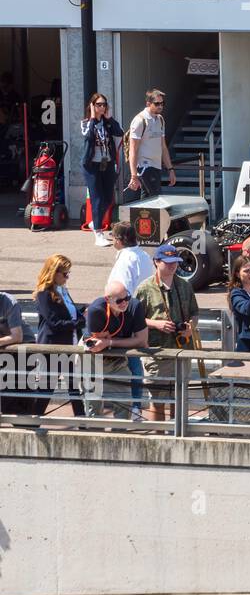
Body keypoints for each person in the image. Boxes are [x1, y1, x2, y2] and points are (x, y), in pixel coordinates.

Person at [137, 244, 201, 422]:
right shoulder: (145, 288)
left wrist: (190, 328)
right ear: (156, 262)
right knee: (157, 400)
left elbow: (195, 313)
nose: (173, 265)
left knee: (180, 398)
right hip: (158, 353)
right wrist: (156, 324)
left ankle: (179, 435)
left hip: (182, 350)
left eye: (175, 262)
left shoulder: (185, 285)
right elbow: (134, 320)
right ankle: (159, 438)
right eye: (168, 262)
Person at [82, 279, 149, 420]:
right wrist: (124, 342)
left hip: (118, 359)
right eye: (119, 301)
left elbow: (142, 341)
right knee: (93, 405)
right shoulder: (96, 309)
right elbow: (98, 345)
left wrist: (110, 341)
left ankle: (121, 432)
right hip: (94, 358)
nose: (124, 303)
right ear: (107, 299)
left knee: (124, 401)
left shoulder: (134, 305)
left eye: (127, 298)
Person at [31, 254, 85, 418]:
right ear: (54, 273)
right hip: (52, 347)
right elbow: (54, 322)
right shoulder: (44, 294)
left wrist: (83, 313)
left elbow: (71, 314)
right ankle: (34, 420)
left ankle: (82, 421)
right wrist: (78, 322)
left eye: (69, 273)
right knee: (48, 386)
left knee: (72, 385)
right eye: (65, 274)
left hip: (67, 344)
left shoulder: (62, 290)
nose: (67, 277)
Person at [80, 93, 124, 247]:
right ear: (92, 106)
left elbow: (120, 132)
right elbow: (88, 137)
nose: (102, 107)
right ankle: (98, 233)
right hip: (92, 166)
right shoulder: (86, 122)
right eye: (98, 104)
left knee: (108, 198)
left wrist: (109, 118)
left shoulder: (107, 124)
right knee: (97, 198)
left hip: (107, 164)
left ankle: (95, 222)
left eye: (104, 104)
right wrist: (93, 117)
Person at [126, 89, 175, 201]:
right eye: (157, 104)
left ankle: (139, 219)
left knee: (148, 199)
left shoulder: (160, 120)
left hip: (157, 165)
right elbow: (133, 150)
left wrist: (170, 169)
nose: (160, 106)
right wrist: (134, 175)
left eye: (162, 103)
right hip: (145, 166)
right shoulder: (140, 120)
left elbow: (163, 146)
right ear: (148, 104)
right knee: (155, 197)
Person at [0, 287, 33, 416]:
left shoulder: (9, 302)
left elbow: (17, 336)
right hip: (5, 348)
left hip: (24, 345)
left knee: (12, 395)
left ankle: (28, 424)